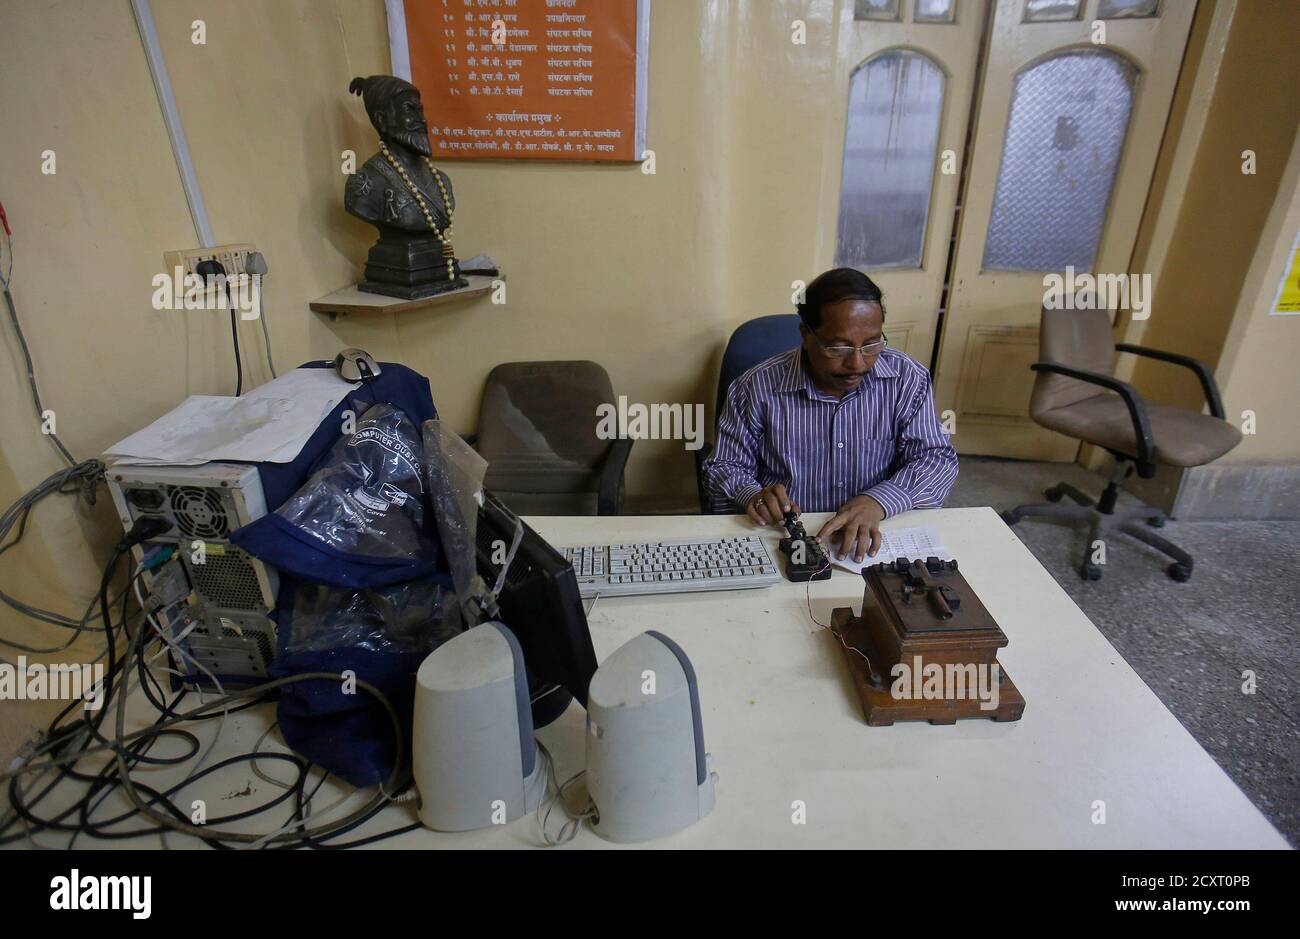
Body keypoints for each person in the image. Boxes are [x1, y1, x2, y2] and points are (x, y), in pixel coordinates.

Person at [702, 268, 958, 562]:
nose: (858, 363)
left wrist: (879, 500)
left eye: (872, 344)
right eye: (839, 347)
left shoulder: (906, 378)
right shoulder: (755, 387)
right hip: (784, 537)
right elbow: (724, 465)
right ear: (806, 336)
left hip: (875, 533)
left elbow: (936, 458)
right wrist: (752, 494)